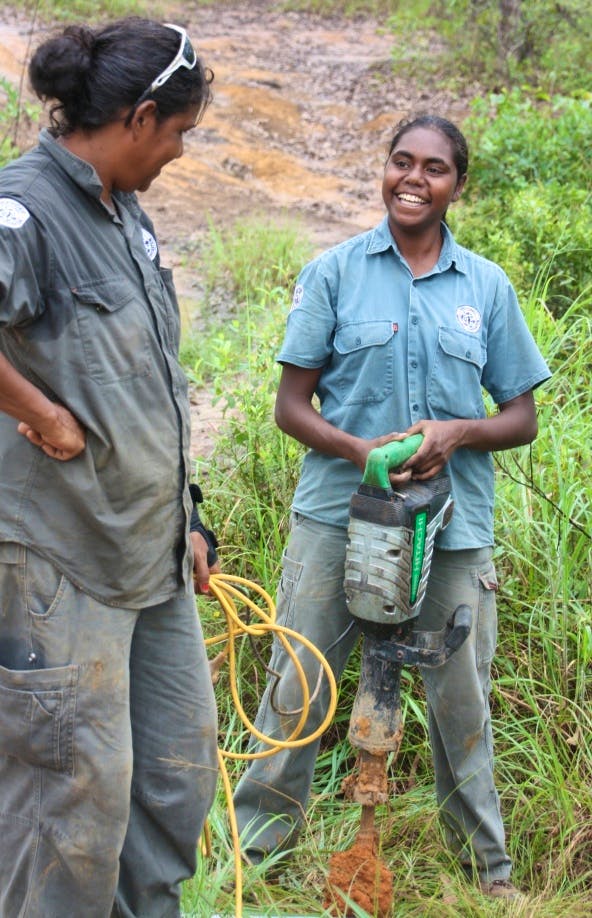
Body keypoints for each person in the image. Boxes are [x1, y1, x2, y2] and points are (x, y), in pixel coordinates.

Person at [233, 115, 551, 899]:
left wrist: (458, 431)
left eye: (434, 168)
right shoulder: (336, 272)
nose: (413, 179)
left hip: (455, 525)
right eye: (400, 162)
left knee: (460, 694)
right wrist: (360, 452)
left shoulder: (486, 286)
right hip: (338, 514)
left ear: (457, 184)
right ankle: (256, 857)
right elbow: (290, 405)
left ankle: (488, 876)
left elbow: (521, 417)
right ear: (384, 170)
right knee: (298, 679)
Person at [0, 18, 220, 918]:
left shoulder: (123, 209)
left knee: (175, 775)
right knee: (71, 797)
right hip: (62, 557)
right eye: (178, 132)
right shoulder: (23, 207)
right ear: (137, 117)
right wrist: (39, 410)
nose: (178, 151)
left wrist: (189, 517)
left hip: (150, 556)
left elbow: (148, 382)